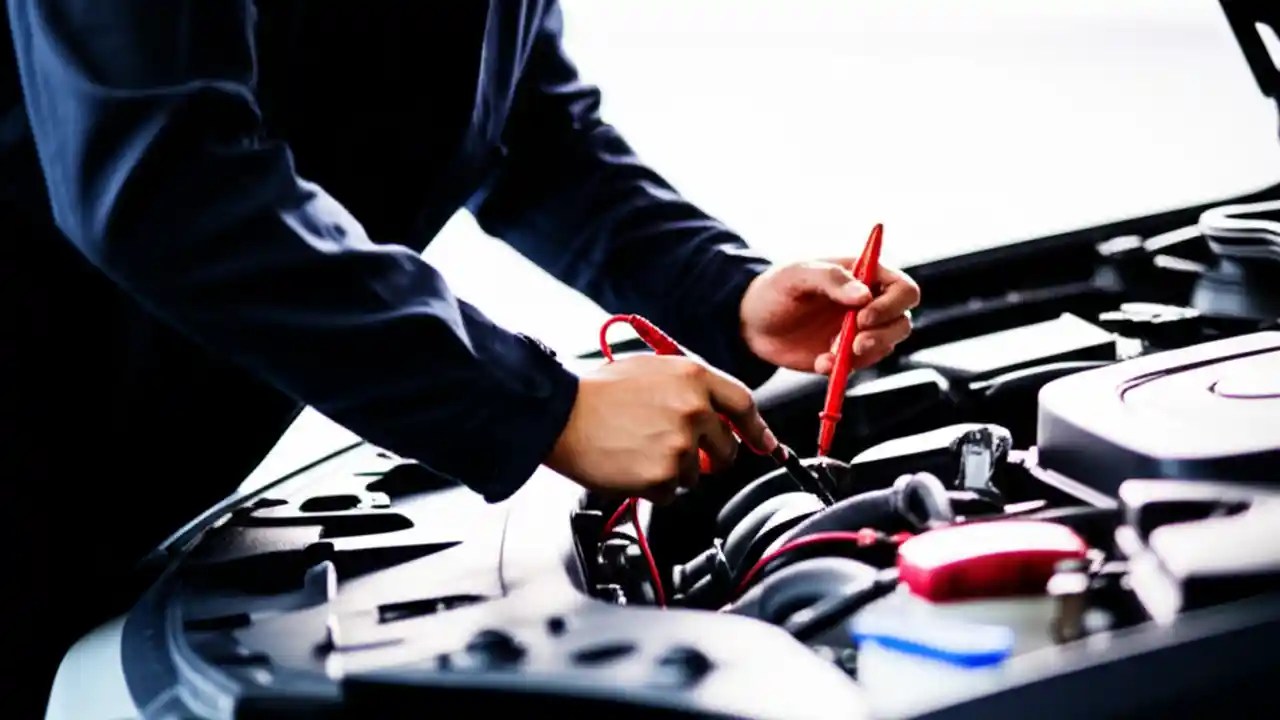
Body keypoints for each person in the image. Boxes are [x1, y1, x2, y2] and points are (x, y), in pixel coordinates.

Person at [0, 1, 919, 715]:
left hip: (118, 500)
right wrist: (541, 406)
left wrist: (728, 296)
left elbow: (520, 124)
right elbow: (163, 177)